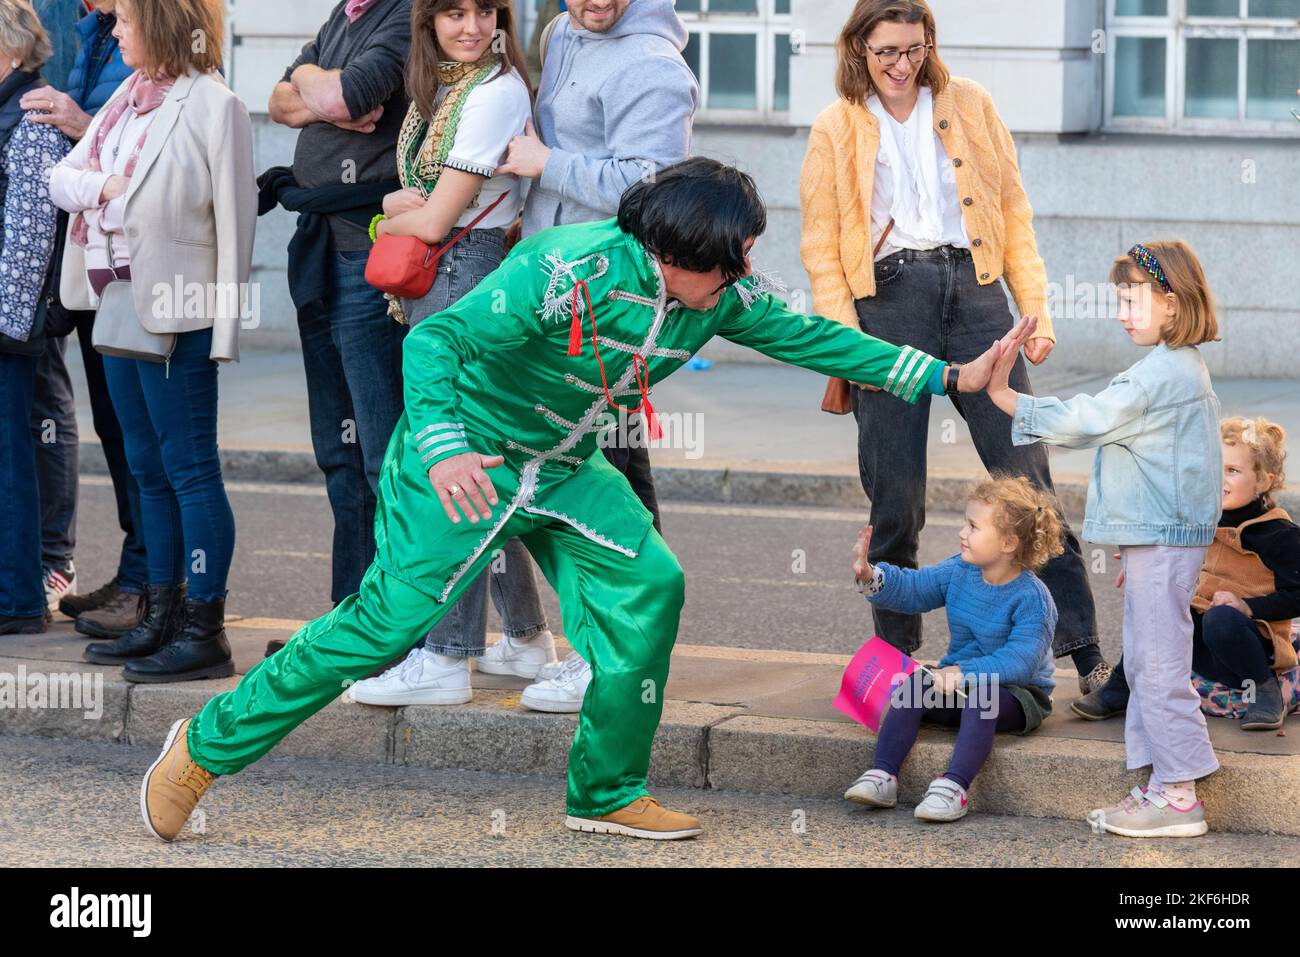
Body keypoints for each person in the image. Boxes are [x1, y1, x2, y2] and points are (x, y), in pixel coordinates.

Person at [139, 157, 1037, 844]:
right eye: (733, 256)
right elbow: (436, 341)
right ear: (674, 255)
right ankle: (204, 747)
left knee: (651, 580)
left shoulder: (715, 295)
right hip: (465, 456)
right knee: (382, 626)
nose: (745, 267)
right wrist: (446, 444)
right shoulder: (562, 268)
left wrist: (950, 372)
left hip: (564, 461)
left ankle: (604, 790)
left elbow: (812, 338)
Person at [799, 0, 1109, 694]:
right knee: (896, 495)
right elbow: (821, 249)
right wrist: (846, 348)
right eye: (887, 53)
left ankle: (1087, 652)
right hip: (888, 302)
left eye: (914, 48)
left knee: (1029, 482)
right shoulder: (834, 125)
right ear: (858, 49)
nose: (902, 65)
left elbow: (1012, 211)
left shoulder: (969, 102)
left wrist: (1037, 310)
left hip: (976, 295)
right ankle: (896, 668)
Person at [347, 0, 559, 707]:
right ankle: (526, 639)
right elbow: (421, 197)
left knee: (452, 463)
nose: (469, 27)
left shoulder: (493, 91)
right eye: (452, 13)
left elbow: (434, 213)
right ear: (429, 22)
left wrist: (391, 208)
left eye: (483, 12)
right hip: (459, 269)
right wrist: (405, 202)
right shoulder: (446, 88)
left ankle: (445, 658)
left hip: (464, 269)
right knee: (482, 463)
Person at [496, 0, 699, 712]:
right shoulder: (562, 34)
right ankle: (600, 646)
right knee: (575, 476)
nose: (597, 3)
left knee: (614, 478)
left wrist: (547, 164)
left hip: (612, 308)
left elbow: (653, 192)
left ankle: (621, 657)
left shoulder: (653, 66)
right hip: (560, 296)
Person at [985, 240, 1223, 839]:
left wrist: (1006, 398)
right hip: (1161, 538)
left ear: (1171, 301)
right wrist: (1144, 545)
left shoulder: (1160, 373)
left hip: (1163, 540)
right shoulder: (1182, 366)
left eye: (1131, 298)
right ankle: (1161, 783)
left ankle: (1177, 797)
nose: (1121, 311)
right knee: (1147, 660)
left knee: (1159, 662)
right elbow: (1171, 471)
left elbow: (1088, 420)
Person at [49, 0, 256, 682]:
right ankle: (159, 616)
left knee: (190, 468)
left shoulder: (213, 104)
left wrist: (225, 327)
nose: (115, 31)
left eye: (127, 21)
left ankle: (205, 628)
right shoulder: (124, 103)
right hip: (116, 302)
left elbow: (235, 221)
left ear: (163, 25)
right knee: (146, 467)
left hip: (181, 310)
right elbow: (62, 179)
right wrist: (109, 185)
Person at [261, 0, 413, 615]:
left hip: (366, 257)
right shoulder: (342, 16)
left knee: (382, 455)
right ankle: (349, 619)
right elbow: (278, 102)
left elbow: (349, 100)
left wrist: (324, 93)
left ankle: (392, 628)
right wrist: (311, 86)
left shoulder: (404, 16)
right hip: (324, 250)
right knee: (338, 449)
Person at [24, 0, 144, 638]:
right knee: (117, 428)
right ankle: (135, 575)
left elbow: (134, 161)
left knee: (144, 438)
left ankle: (157, 588)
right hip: (88, 260)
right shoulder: (92, 29)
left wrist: (78, 122)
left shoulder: (148, 36)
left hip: (132, 270)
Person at [844, 477, 1060, 822]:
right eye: (965, 522)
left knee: (982, 696)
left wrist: (964, 674)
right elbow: (916, 588)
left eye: (973, 526)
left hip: (1017, 695)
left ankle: (953, 787)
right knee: (914, 685)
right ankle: (883, 775)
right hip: (957, 683)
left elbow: (1019, 661)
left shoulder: (1033, 598)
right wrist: (871, 575)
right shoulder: (961, 570)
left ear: (1007, 542)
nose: (962, 532)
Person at [1073, 416, 1300, 731]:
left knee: (1222, 617)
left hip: (1249, 648)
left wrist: (1248, 607)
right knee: (1157, 602)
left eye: (1232, 471)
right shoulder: (1202, 520)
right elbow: (1174, 552)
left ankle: (1263, 690)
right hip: (1202, 648)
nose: (1219, 479)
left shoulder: (1278, 534)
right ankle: (1124, 685)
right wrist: (1146, 560)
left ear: (1263, 481)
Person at [0, 0, 69, 634]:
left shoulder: (31, 117)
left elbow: (28, 239)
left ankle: (18, 599)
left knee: (9, 459)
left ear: (14, 52)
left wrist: (7, 326)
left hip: (5, 325)